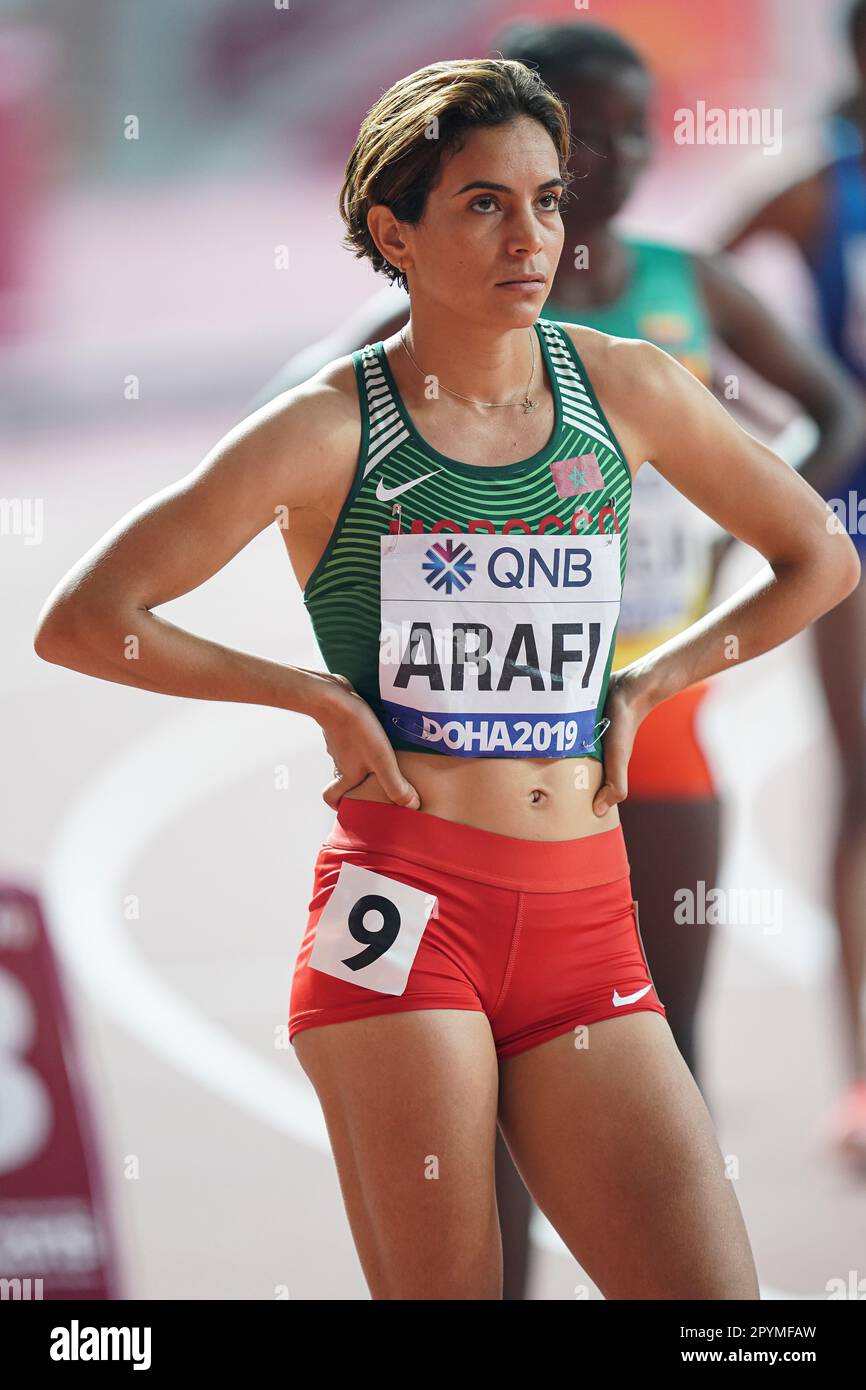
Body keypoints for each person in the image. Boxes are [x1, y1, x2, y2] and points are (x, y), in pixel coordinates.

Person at [34, 58, 860, 1300]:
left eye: (544, 197)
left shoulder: (624, 385)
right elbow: (88, 619)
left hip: (587, 922)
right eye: (482, 202)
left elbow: (817, 555)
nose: (529, 234)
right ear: (394, 231)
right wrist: (307, 693)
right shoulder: (325, 427)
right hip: (406, 925)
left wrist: (649, 682)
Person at [721, 0, 866, 1165]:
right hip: (855, 515)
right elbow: (674, 306)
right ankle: (859, 1074)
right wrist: (766, 438)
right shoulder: (817, 190)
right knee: (862, 777)